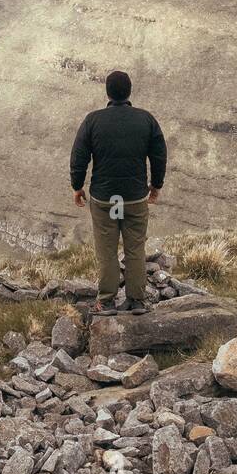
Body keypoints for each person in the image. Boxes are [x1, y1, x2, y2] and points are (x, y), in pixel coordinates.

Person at [70, 70, 167, 315]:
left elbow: (79, 156)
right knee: (135, 249)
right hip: (135, 197)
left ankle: (107, 301)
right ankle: (136, 301)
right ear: (129, 91)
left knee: (107, 250)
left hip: (105, 199)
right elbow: (158, 156)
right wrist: (156, 187)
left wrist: (77, 186)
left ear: (108, 92)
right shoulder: (146, 120)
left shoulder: (93, 120)